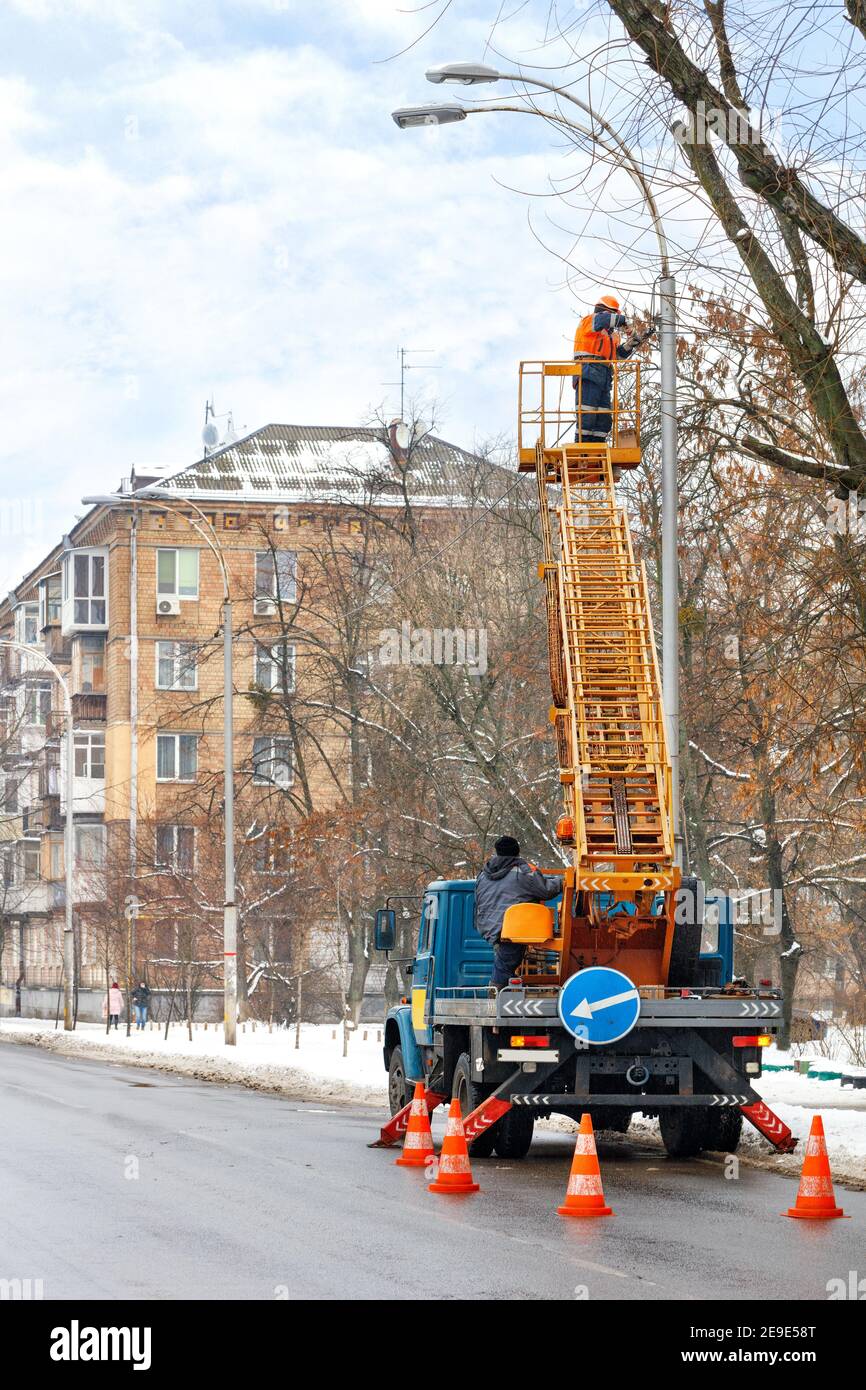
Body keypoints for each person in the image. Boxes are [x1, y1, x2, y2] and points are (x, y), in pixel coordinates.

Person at [475, 836, 564, 988]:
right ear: (516, 851)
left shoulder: (484, 873)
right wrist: (563, 881)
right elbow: (546, 890)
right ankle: (497, 990)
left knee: (505, 962)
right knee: (505, 965)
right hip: (512, 927)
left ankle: (504, 989)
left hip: (488, 925)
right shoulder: (522, 870)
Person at [573, 293, 651, 443]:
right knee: (587, 416)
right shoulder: (589, 322)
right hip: (587, 371)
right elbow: (605, 319)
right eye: (614, 315)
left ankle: (598, 447)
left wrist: (631, 343)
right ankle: (582, 448)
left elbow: (617, 356)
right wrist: (625, 323)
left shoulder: (611, 337)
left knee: (604, 419)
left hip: (603, 375)